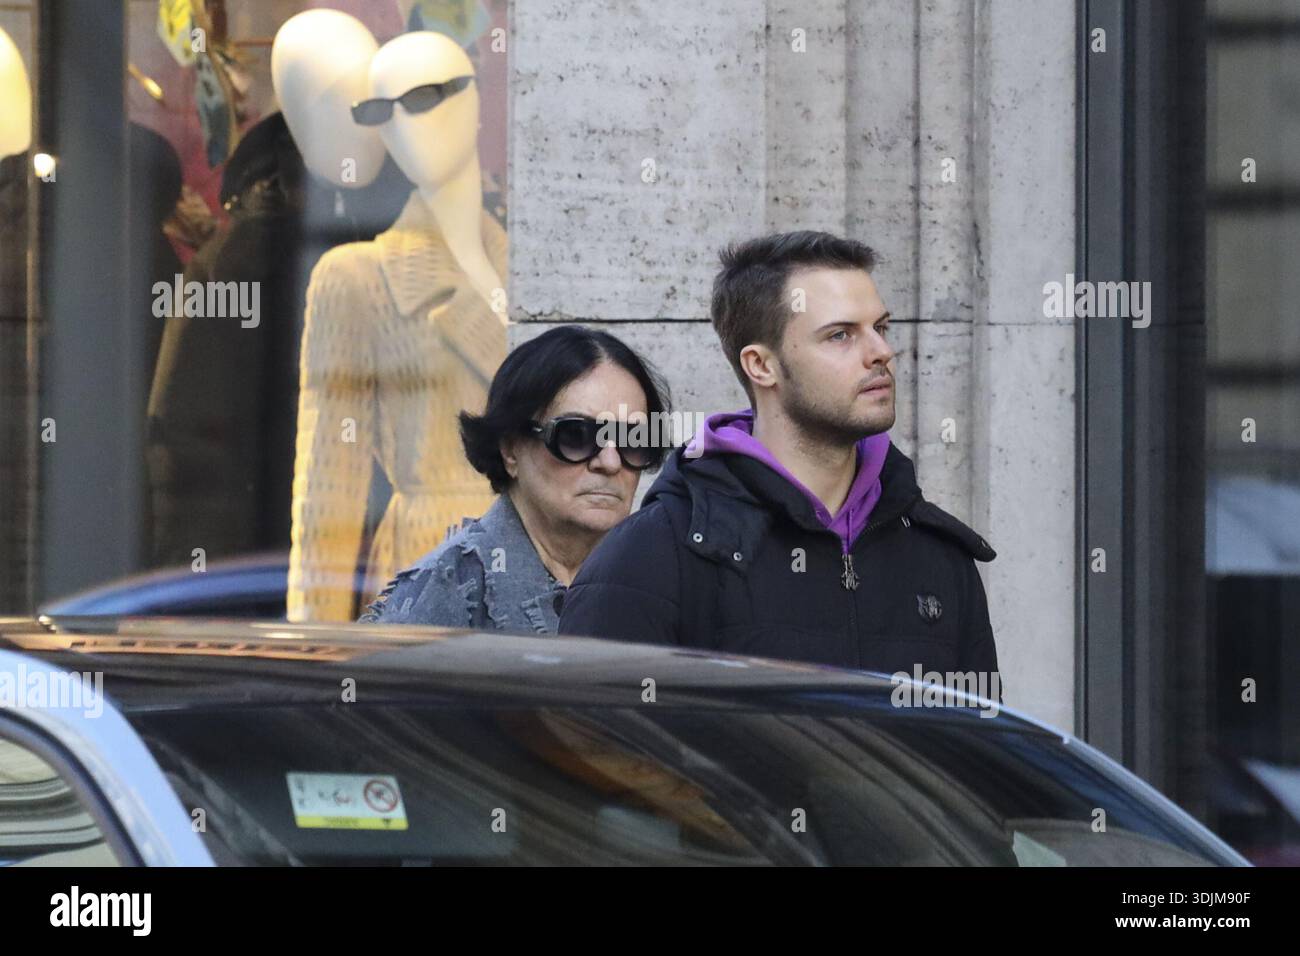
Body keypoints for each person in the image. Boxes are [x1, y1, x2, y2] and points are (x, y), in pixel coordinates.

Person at [558, 231, 1000, 686]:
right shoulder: (651, 558)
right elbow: (591, 750)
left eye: (880, 328)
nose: (881, 353)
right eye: (841, 335)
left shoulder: (938, 558)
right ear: (761, 366)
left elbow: (981, 751)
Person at [359, 325, 669, 632]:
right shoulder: (443, 596)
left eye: (633, 438)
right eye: (576, 436)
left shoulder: (660, 581)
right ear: (510, 450)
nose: (610, 462)